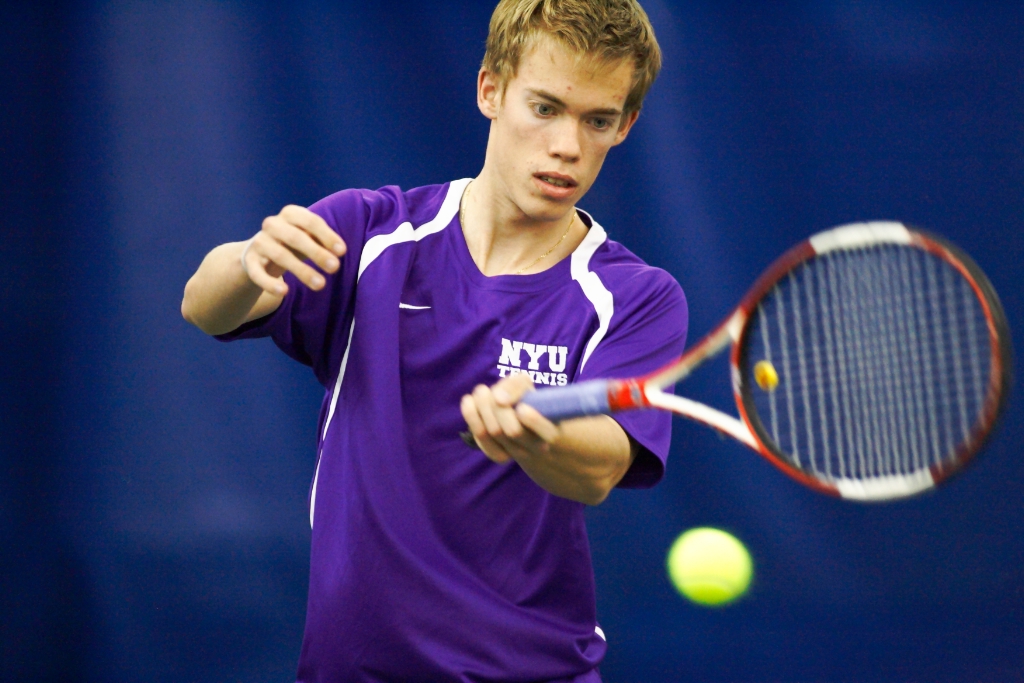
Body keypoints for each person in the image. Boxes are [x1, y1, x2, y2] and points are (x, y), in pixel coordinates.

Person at [181, 0, 687, 680]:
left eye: (597, 120)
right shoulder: (371, 234)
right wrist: (248, 262)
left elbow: (598, 466)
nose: (567, 145)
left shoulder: (637, 295)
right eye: (544, 107)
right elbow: (203, 307)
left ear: (624, 126)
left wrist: (539, 429)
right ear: (491, 90)